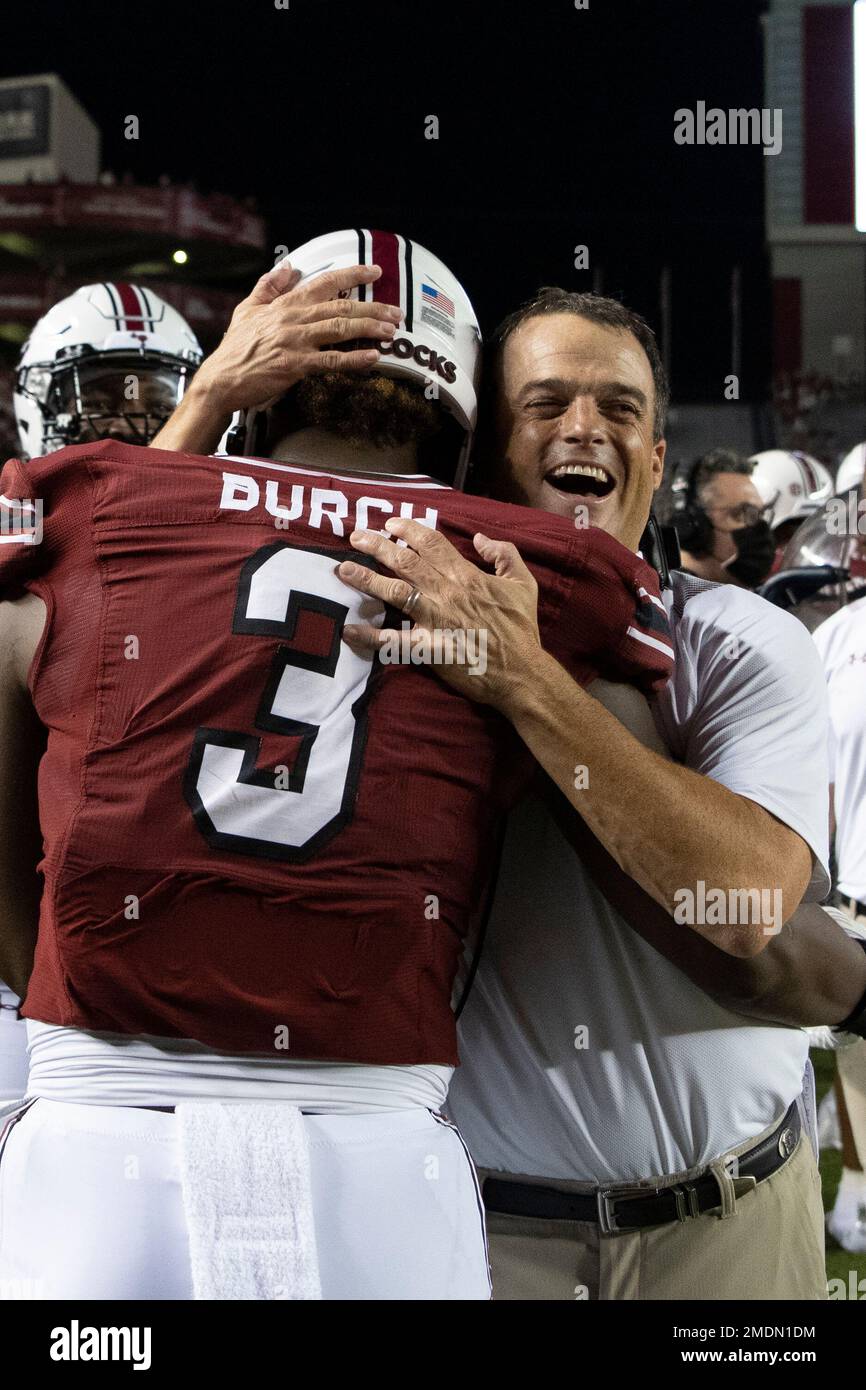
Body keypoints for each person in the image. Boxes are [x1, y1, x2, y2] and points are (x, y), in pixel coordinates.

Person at [0, 235, 674, 1301]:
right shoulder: (537, 569)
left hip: (102, 1121)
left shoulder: (94, 502)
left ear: (258, 391)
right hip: (376, 1140)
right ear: (460, 424)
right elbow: (631, 771)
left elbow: (38, 631)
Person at [337, 288, 866, 1299]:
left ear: (656, 461)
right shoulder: (372, 635)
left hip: (732, 1221)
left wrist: (520, 675)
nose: (584, 428)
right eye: (544, 405)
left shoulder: (738, 639)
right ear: (487, 448)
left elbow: (747, 907)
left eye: (619, 409)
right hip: (489, 1226)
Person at [0, 283, 203, 1108]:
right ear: (41, 403)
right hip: (43, 985)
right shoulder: (24, 531)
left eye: (154, 399)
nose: (123, 424)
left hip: (136, 983)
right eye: (97, 397)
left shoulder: (220, 547)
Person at [670, 448, 776, 588]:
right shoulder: (669, 606)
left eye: (758, 514)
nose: (759, 527)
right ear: (691, 526)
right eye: (741, 514)